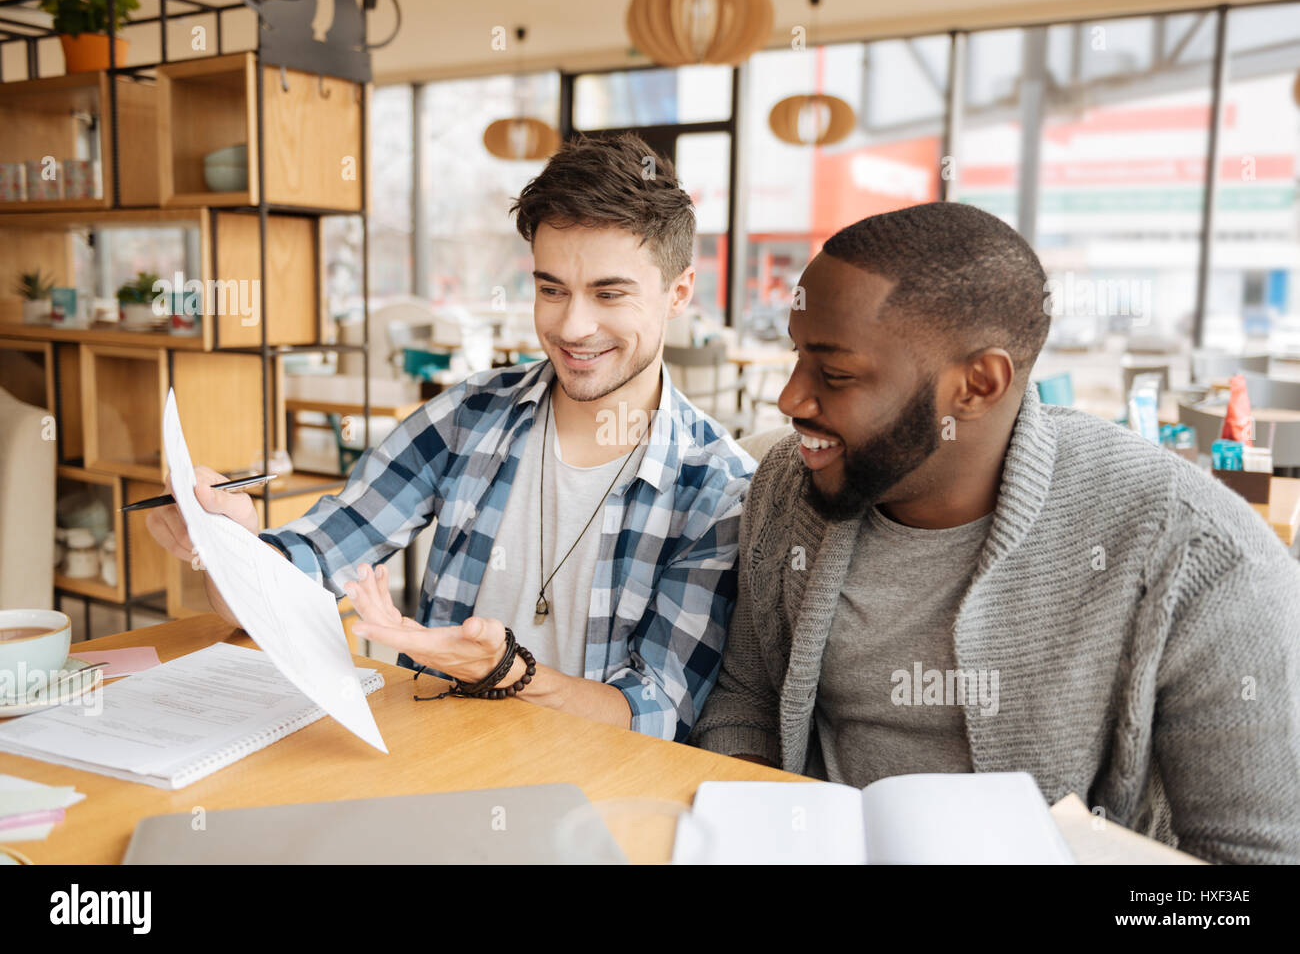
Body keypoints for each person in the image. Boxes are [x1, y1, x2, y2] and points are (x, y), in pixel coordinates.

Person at [690, 201, 1300, 864]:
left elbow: (1255, 859)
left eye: (833, 373)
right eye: (797, 354)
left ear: (978, 384)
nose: (789, 398)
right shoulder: (788, 483)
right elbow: (746, 696)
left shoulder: (1203, 556)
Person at [148, 134, 754, 742]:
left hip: (592, 800)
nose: (573, 326)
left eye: (609, 293)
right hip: (432, 761)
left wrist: (509, 675)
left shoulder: (717, 489)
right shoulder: (472, 414)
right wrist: (227, 541)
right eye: (552, 289)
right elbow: (306, 567)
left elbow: (655, 716)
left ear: (679, 292)